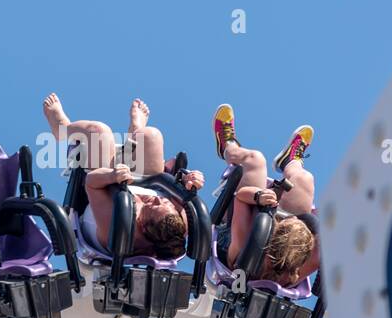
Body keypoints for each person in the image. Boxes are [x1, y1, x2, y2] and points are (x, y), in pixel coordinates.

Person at [42, 93, 204, 259]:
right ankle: (136, 134)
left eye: (154, 207)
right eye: (164, 203)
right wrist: (188, 180)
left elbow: (91, 183)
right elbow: (177, 193)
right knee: (151, 135)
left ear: (143, 225)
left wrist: (111, 176)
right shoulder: (175, 223)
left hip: (102, 192)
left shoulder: (118, 224)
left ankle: (61, 128)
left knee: (98, 131)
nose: (157, 200)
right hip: (139, 184)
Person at [211, 104, 319, 287]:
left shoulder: (246, 242)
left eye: (288, 221)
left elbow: (240, 197)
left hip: (237, 242)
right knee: (305, 179)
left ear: (277, 231)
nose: (289, 217)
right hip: (278, 260)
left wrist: (258, 196)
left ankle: (228, 146)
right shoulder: (299, 266)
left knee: (254, 160)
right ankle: (290, 161)